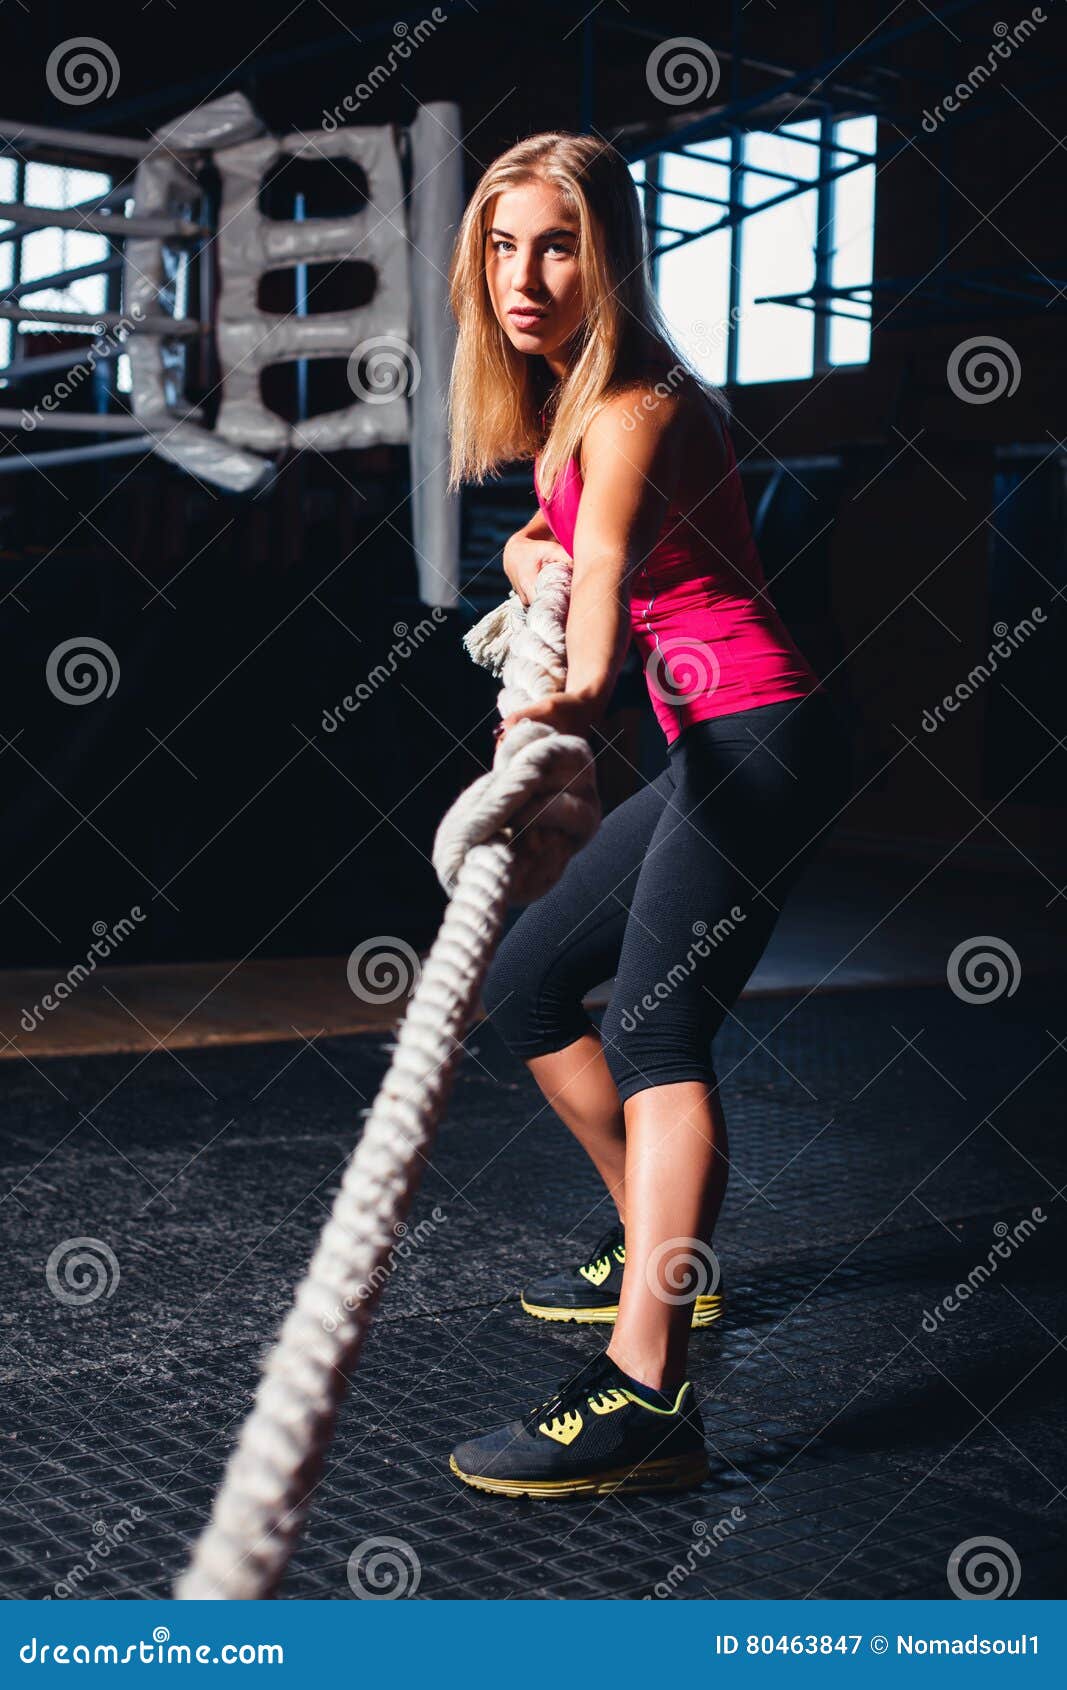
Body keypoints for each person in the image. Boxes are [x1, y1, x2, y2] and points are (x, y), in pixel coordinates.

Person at [443, 131, 854, 1498]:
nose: (524, 274)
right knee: (525, 986)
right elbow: (569, 540)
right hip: (710, 749)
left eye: (556, 243)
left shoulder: (627, 407)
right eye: (502, 244)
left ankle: (648, 1391)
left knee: (654, 1026)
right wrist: (520, 549)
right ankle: (657, 1240)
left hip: (756, 735)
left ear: (607, 254)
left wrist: (535, 734)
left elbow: (606, 634)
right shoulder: (581, 405)